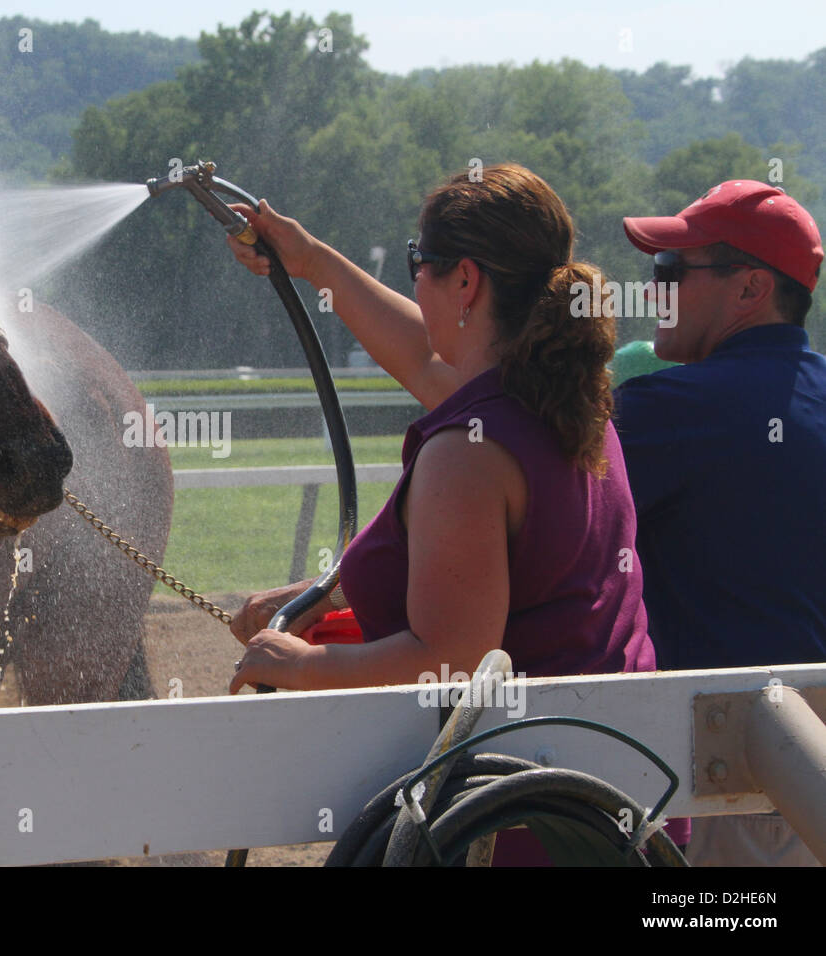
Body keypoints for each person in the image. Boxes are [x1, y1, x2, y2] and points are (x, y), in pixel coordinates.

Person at [223, 164, 674, 861]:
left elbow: (451, 658)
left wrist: (298, 665)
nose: (414, 281)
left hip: (523, 832)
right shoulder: (567, 402)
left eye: (419, 264)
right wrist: (309, 259)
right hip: (613, 806)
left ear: (465, 282)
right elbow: (421, 357)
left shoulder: (468, 453)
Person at [615, 180, 826, 866]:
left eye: (671, 271)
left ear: (749, 289)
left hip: (738, 784)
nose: (654, 292)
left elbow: (513, 480)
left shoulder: (667, 408)